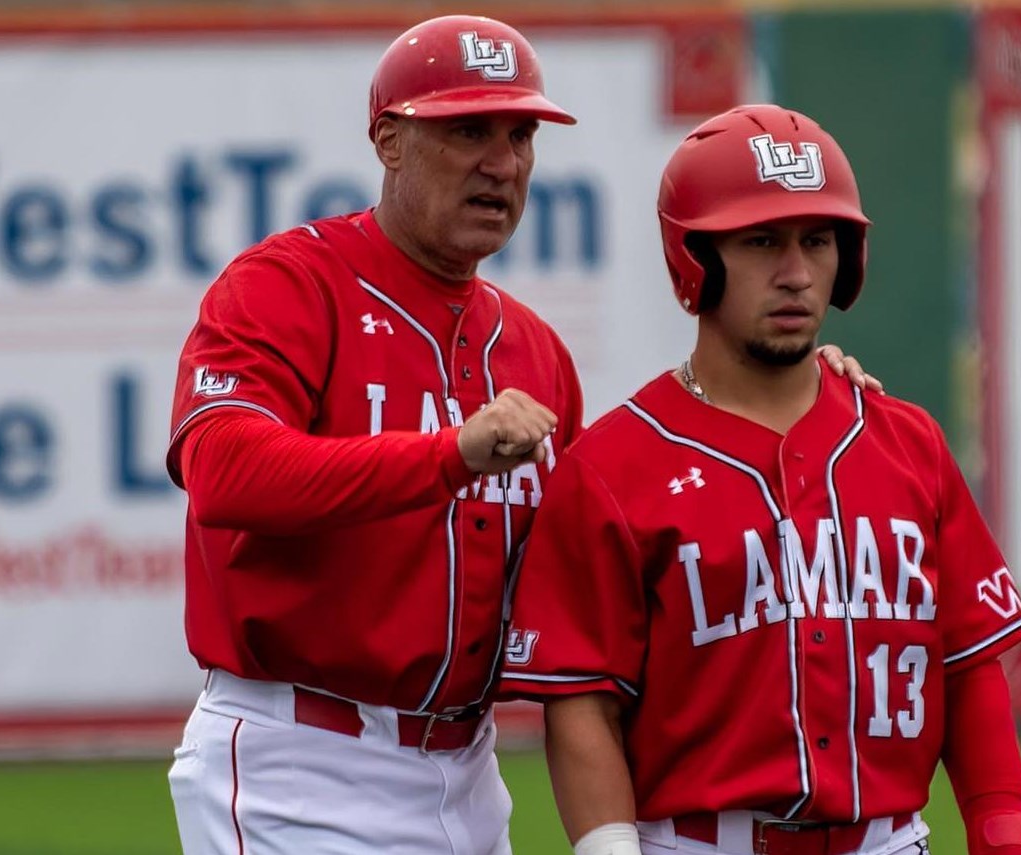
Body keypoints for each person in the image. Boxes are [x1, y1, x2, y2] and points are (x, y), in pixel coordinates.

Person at [163, 18, 876, 855]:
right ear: (389, 141)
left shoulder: (533, 351)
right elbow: (225, 473)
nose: (501, 163)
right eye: (468, 131)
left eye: (519, 134)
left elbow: (607, 552)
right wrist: (450, 453)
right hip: (299, 759)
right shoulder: (286, 285)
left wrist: (788, 390)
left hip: (468, 775)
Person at [499, 104, 1021, 855]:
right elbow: (584, 704)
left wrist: (1001, 827)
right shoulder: (611, 467)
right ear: (696, 258)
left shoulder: (907, 441)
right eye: (761, 242)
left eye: (816, 241)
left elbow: (967, 661)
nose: (794, 273)